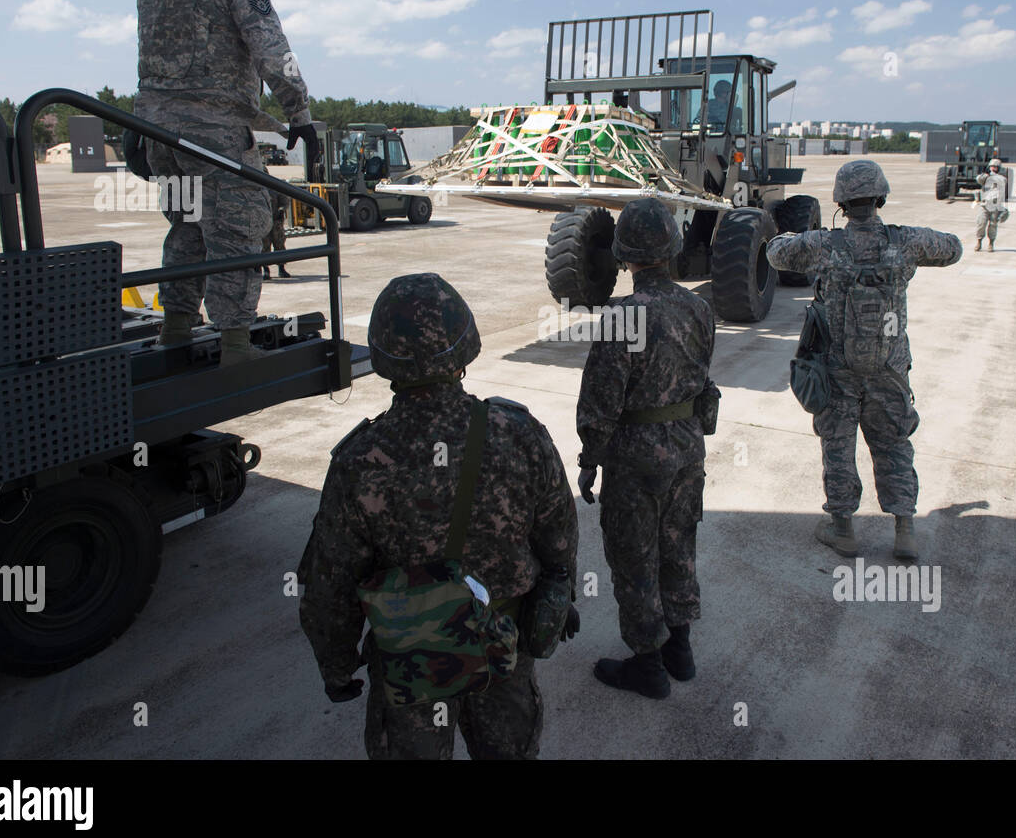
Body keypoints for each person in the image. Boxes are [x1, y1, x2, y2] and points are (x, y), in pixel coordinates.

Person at [298, 273, 579, 759]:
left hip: (410, 663)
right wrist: (557, 597)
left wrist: (337, 667)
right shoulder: (518, 435)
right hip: (502, 651)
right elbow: (559, 536)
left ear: (383, 356)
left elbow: (331, 584)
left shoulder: (361, 460)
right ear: (465, 344)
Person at [137, 0, 318, 364]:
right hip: (214, 132)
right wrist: (299, 115)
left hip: (159, 135)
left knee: (187, 228)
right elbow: (273, 51)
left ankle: (175, 328)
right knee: (240, 228)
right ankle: (236, 346)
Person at [766, 160, 962, 560]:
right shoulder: (905, 242)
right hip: (890, 368)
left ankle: (843, 530)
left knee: (838, 446)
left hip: (838, 370)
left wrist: (800, 235)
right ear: (880, 196)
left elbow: (775, 254)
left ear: (841, 200)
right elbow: (953, 248)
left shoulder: (824, 245)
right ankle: (904, 529)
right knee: (894, 444)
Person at [576, 198, 717, 700]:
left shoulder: (623, 316)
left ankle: (648, 665)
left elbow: (600, 399)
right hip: (687, 448)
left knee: (635, 559)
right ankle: (680, 649)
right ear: (672, 249)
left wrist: (590, 459)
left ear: (624, 256)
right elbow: (702, 380)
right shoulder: (699, 307)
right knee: (679, 545)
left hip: (635, 458)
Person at [974, 157, 1008, 252]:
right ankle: (979, 242)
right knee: (981, 224)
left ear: (999, 168)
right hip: (984, 205)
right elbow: (978, 180)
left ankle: (991, 244)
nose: (993, 168)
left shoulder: (1002, 179)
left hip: (995, 206)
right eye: (991, 166)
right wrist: (985, 175)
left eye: (995, 167)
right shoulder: (985, 177)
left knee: (993, 225)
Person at [261, 192, 289, 280]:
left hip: (276, 221)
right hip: (263, 221)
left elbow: (284, 201)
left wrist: (281, 210)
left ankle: (281, 268)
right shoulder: (259, 187)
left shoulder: (274, 188)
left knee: (279, 243)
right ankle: (266, 270)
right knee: (264, 246)